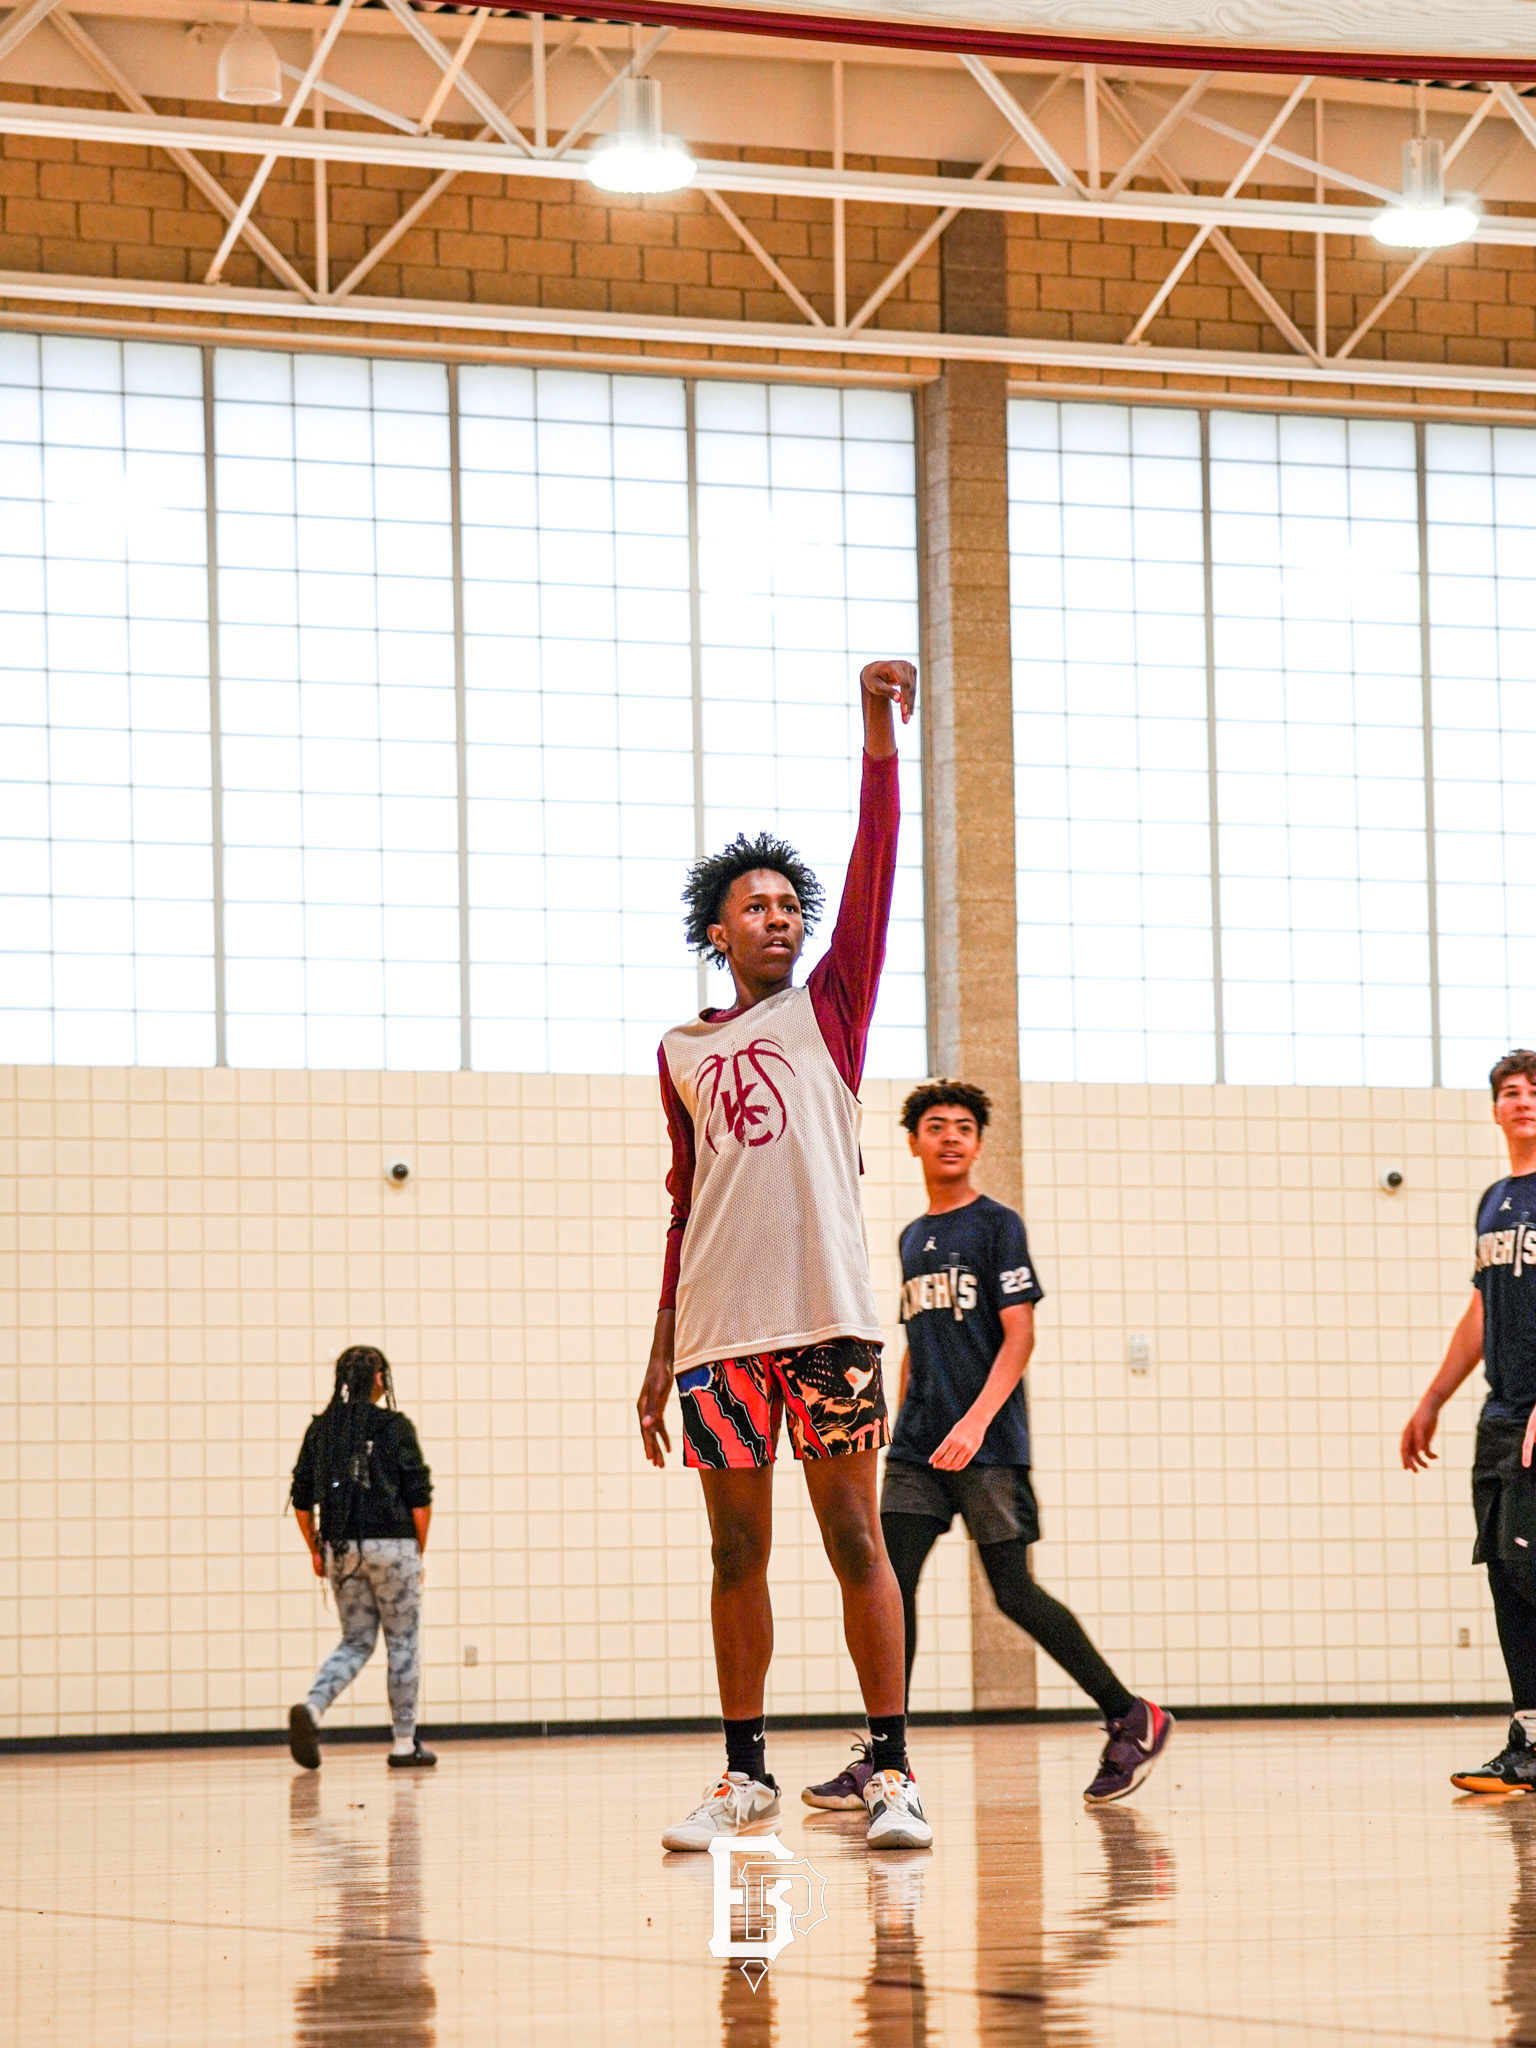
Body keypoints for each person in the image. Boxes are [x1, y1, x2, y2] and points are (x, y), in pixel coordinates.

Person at [636, 657, 930, 1854]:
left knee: (856, 1537)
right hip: (718, 1329)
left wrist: (876, 736)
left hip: (828, 1316)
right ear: (717, 931)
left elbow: (874, 864)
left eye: (789, 907)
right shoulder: (676, 1050)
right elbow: (681, 1201)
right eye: (755, 907)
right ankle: (743, 1773)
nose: (780, 918)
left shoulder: (833, 1006)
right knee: (734, 1547)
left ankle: (893, 1770)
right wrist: (659, 1349)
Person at [803, 1080, 1172, 1810]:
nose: (949, 1137)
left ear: (978, 1142)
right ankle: (885, 1760)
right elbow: (917, 1343)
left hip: (989, 1444)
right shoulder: (911, 1237)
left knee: (1013, 1592)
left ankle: (1132, 1715)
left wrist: (974, 1422)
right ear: (913, 1142)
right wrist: (897, 1420)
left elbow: (1021, 1334)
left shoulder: (998, 1225)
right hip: (915, 1449)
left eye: (964, 1127)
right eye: (935, 1126)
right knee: (888, 1589)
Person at [1403, 1049, 1536, 1794]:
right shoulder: (1494, 1200)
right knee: (1505, 1575)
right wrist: (1433, 1399)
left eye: (1534, 1091)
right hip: (1501, 1413)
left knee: (1529, 1564)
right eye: (1509, 1092)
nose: (1522, 1101)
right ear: (1494, 1109)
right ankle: (1529, 1739)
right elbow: (1484, 1309)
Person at [287, 1344, 436, 1771]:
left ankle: (313, 1708)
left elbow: (301, 1500)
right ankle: (405, 1744)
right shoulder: (394, 1426)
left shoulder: (321, 1430)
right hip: (393, 1545)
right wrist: (415, 1554)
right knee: (402, 1642)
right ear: (378, 1379)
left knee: (356, 1641)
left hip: (341, 1548)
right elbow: (419, 1499)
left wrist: (316, 1550)